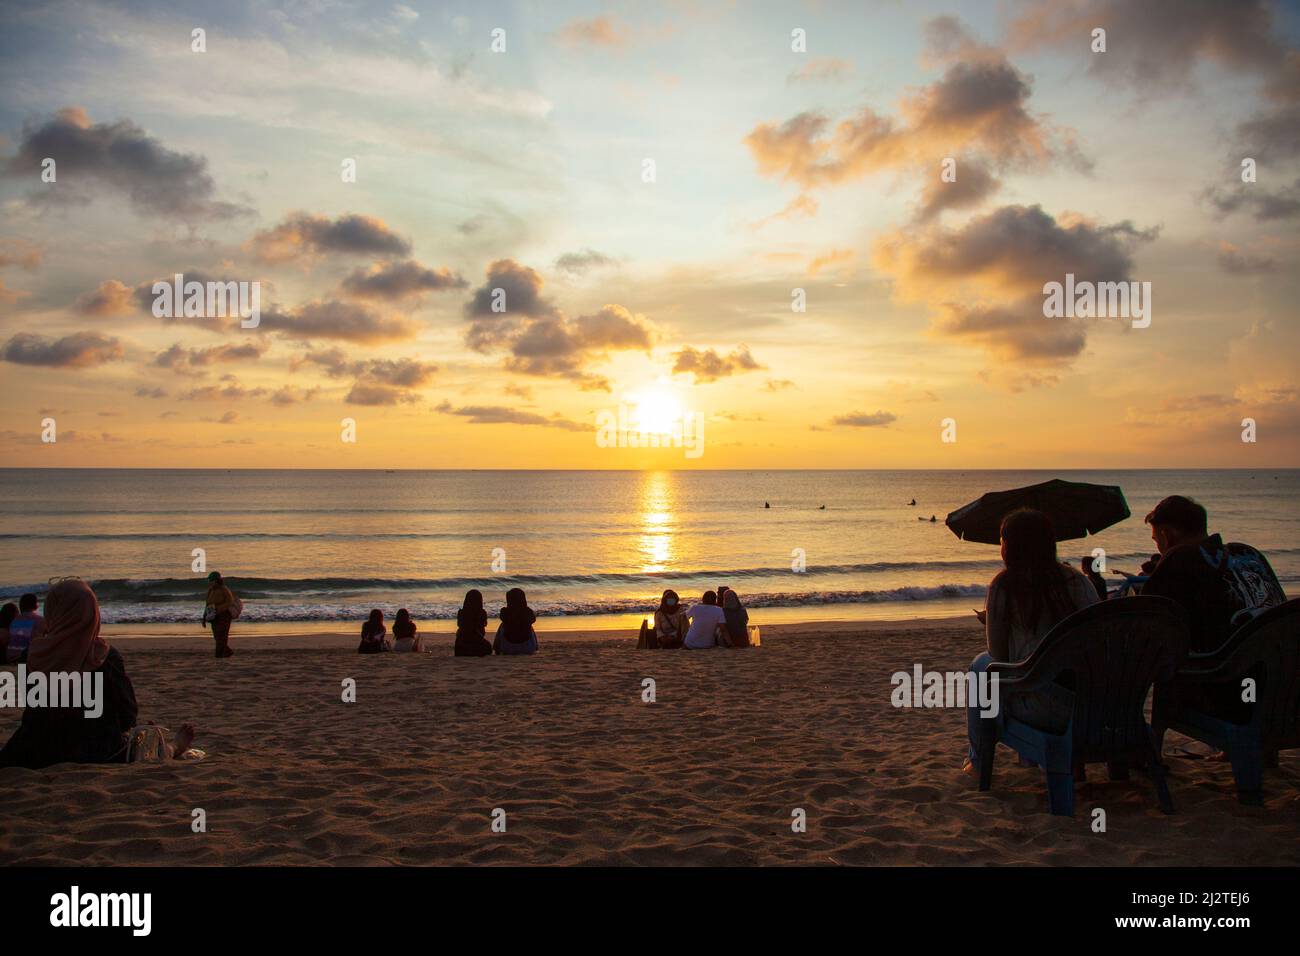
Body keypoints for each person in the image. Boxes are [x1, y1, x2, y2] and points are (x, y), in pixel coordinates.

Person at [0, 579, 196, 769]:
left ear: (51, 612)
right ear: (92, 613)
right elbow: (128, 716)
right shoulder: (104, 657)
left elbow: (36, 705)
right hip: (94, 749)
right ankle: (175, 747)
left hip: (35, 748)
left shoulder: (32, 656)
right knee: (147, 747)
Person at [963, 509, 1100, 774]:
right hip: (1091, 705)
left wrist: (995, 623)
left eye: (1002, 540)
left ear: (1010, 546)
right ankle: (1024, 756)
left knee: (981, 666)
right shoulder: (1077, 582)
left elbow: (998, 656)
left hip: (1043, 708)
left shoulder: (1004, 586)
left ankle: (979, 760)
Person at [1139, 495, 1285, 653]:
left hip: (1222, 669)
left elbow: (1146, 620)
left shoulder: (1180, 557)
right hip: (1280, 659)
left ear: (1167, 535)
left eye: (1156, 540)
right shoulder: (1247, 552)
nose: (1159, 548)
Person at [494, 588, 538, 655]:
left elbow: (502, 618)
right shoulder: (527, 611)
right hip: (527, 648)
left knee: (502, 625)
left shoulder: (505, 612)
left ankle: (496, 648)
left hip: (507, 648)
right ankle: (536, 647)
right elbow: (533, 620)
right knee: (530, 626)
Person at [6, 593, 47, 664]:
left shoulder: (14, 620)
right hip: (26, 658)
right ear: (36, 605)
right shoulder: (40, 620)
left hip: (10, 657)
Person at [203, 572, 237, 658]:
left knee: (222, 637)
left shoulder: (224, 589)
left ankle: (219, 655)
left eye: (212, 581)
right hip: (213, 616)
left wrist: (219, 609)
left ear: (217, 580)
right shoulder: (210, 590)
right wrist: (204, 617)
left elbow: (230, 601)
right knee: (217, 637)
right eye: (210, 581)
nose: (210, 582)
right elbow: (207, 604)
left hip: (224, 615)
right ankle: (228, 652)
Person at [454, 589, 492, 657]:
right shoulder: (482, 613)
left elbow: (459, 624)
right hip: (477, 640)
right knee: (488, 648)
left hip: (461, 642)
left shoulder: (461, 612)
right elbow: (484, 624)